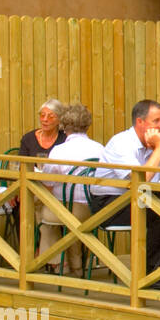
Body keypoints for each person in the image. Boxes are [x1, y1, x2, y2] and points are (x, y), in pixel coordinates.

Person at [88, 98, 160, 271]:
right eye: (156, 121)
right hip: (111, 204)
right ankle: (148, 273)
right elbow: (141, 182)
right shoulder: (121, 143)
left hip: (144, 199)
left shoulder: (156, 142)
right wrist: (158, 149)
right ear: (140, 122)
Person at [38, 104, 107, 274]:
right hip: (97, 208)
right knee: (64, 219)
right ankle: (76, 266)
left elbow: (48, 182)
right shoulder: (100, 148)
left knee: (39, 207)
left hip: (70, 209)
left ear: (63, 125)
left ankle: (59, 263)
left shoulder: (60, 150)